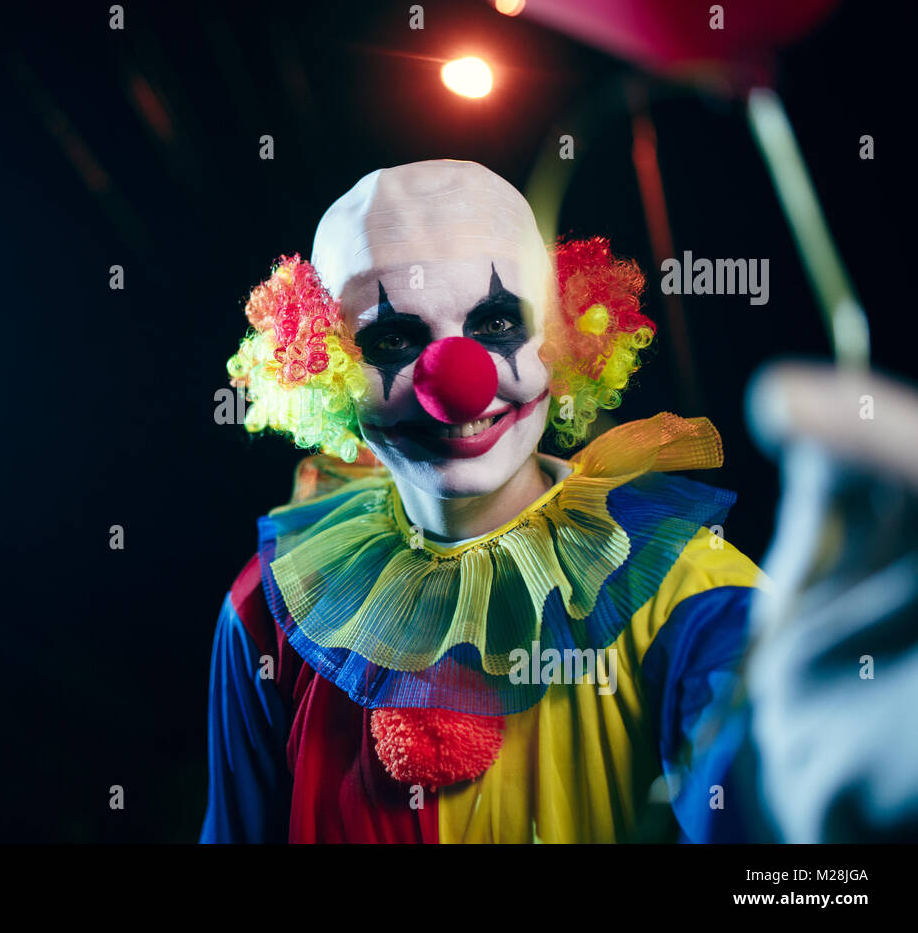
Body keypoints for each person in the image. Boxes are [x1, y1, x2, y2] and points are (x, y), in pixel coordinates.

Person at [202, 159, 766, 843]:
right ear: (321, 363)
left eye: (497, 322)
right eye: (392, 339)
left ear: (565, 336)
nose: (457, 384)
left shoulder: (693, 596)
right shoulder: (273, 608)